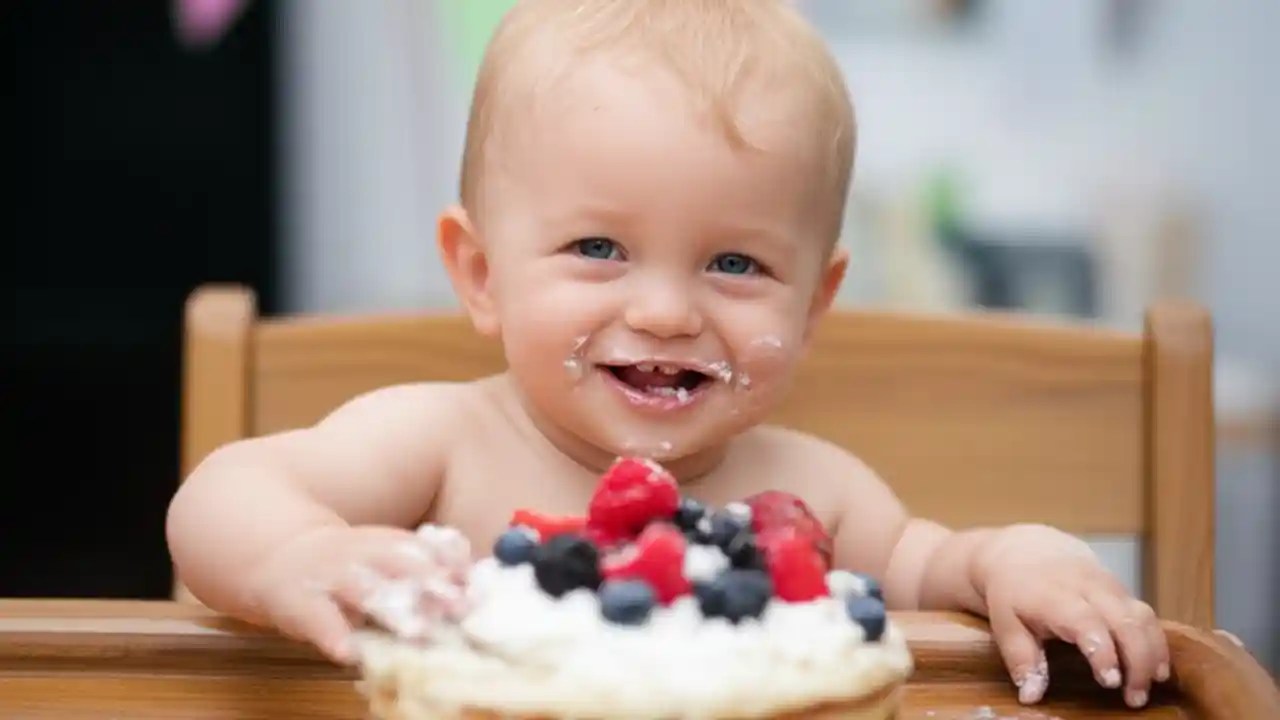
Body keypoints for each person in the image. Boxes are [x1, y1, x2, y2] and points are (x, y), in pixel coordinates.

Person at [165, 0, 1169, 708]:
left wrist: (1018, 557)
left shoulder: (815, 493)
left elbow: (936, 564)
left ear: (814, 304)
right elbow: (223, 496)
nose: (661, 310)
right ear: (480, 273)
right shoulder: (439, 442)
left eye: (733, 263)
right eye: (597, 249)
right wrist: (297, 554)